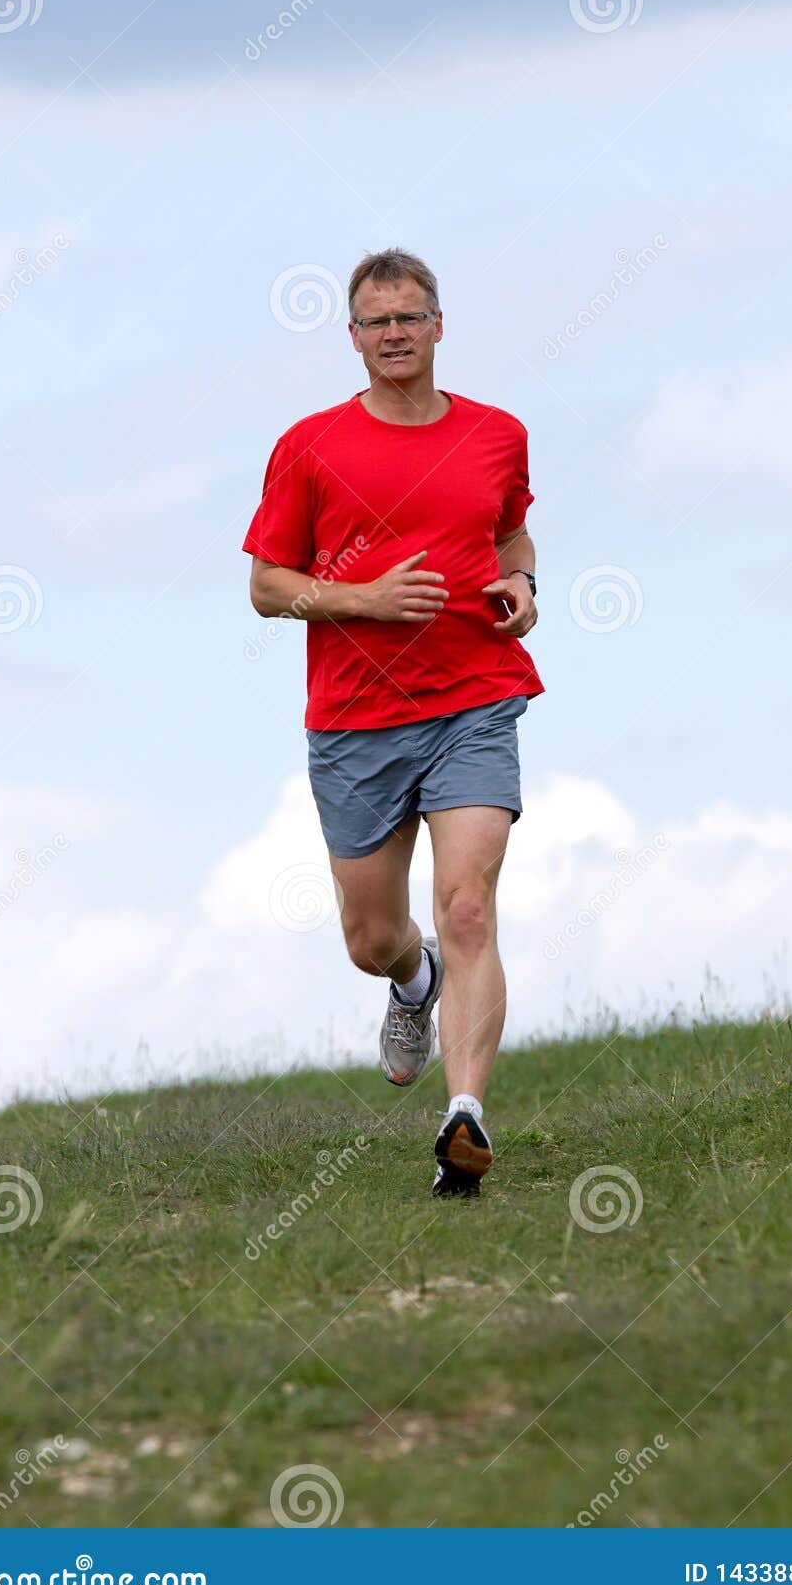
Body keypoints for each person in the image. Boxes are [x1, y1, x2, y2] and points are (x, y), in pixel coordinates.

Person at [243, 248, 543, 1196]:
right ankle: (410, 985)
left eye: (409, 317)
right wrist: (364, 598)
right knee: (374, 937)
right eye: (377, 322)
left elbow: (510, 529)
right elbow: (265, 588)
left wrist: (523, 583)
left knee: (466, 906)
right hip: (356, 719)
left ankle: (465, 1119)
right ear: (354, 338)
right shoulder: (310, 446)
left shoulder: (497, 433)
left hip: (475, 698)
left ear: (439, 324)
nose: (395, 334)